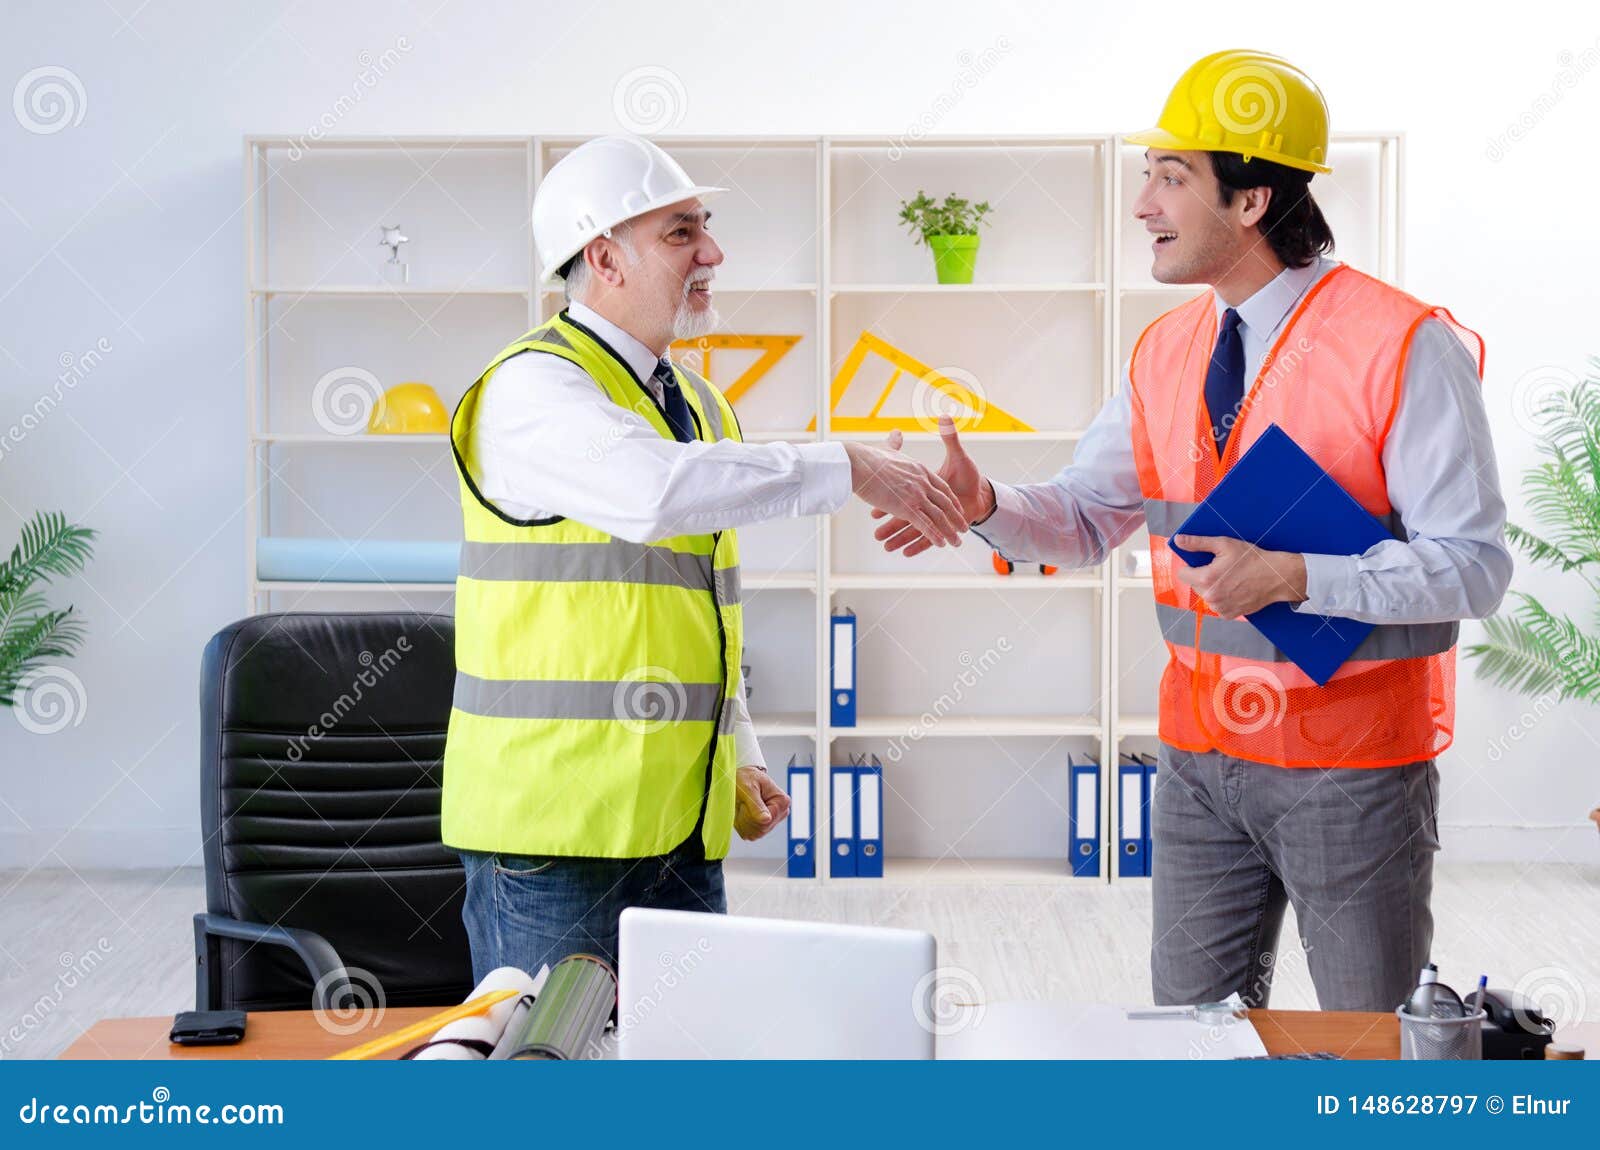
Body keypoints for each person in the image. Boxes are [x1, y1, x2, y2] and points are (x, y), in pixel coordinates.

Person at [872, 51, 1511, 1011]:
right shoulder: (1170, 348)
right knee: (1187, 1038)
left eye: (1171, 177)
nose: (1143, 204)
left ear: (1250, 201)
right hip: (1200, 765)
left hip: (1350, 765)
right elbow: (1088, 519)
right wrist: (987, 505)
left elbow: (1475, 570)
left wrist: (1297, 575)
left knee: (1371, 1042)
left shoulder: (1401, 342)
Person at [443, 135, 966, 981]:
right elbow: (651, 493)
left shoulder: (699, 403)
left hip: (683, 827)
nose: (713, 252)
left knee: (682, 1066)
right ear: (605, 256)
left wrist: (742, 751)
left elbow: (702, 605)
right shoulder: (531, 388)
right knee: (550, 1086)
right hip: (551, 839)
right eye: (682, 232)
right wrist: (852, 465)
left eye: (705, 228)